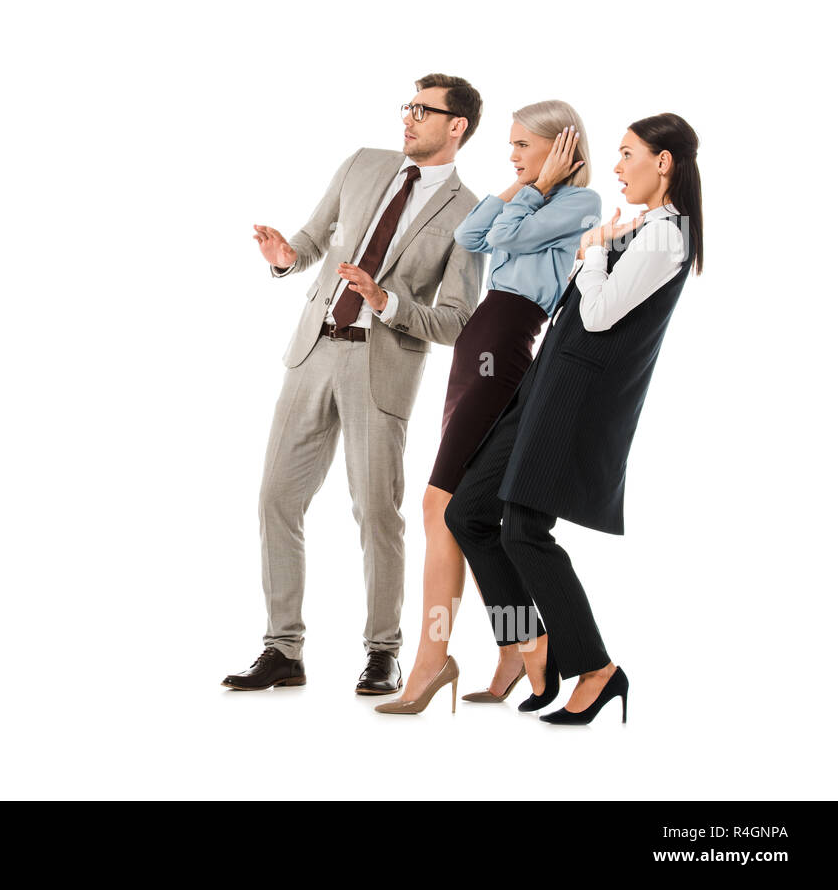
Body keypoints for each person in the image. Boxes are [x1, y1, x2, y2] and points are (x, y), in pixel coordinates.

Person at [222, 74, 485, 695]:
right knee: (275, 500)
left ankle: (382, 651)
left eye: (426, 110)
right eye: (409, 105)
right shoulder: (362, 164)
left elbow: (456, 322)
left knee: (375, 513)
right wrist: (286, 256)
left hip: (381, 363)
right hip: (312, 351)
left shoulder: (473, 214)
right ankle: (282, 648)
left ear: (457, 127)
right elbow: (312, 242)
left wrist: (387, 301)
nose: (410, 117)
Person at [444, 112, 703, 724]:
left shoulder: (668, 234)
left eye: (628, 153)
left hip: (573, 400)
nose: (616, 166)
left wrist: (590, 253)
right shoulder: (644, 227)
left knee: (524, 531)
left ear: (662, 163)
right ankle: (526, 639)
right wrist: (603, 248)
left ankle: (597, 669)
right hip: (543, 382)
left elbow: (603, 313)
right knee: (468, 513)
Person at [379, 101, 601, 715]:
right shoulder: (535, 193)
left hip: (501, 346)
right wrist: (523, 183)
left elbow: (499, 234)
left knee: (440, 504)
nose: (512, 157)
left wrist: (539, 188)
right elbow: (469, 235)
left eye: (522, 147)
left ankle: (435, 659)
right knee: (467, 516)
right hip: (479, 342)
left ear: (559, 149)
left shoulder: (579, 204)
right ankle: (513, 643)